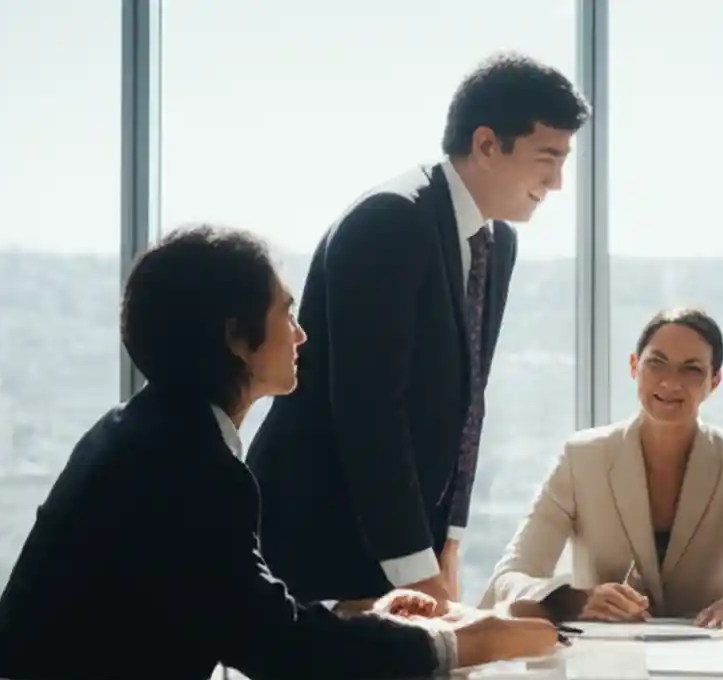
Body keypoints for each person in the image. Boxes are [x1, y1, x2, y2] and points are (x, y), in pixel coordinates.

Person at [0, 226, 557, 680]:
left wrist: (358, 616)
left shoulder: (148, 433)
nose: (301, 335)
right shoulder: (190, 463)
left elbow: (238, 609)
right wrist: (458, 643)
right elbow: (278, 651)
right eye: (286, 313)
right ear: (237, 338)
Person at [246, 53, 591, 606]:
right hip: (317, 539)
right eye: (547, 158)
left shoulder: (498, 241)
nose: (556, 182)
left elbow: (468, 401)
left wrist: (447, 541)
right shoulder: (389, 221)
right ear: (486, 145)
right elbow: (369, 411)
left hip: (400, 543)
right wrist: (412, 567)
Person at [480, 309, 723, 627]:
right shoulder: (583, 458)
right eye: (656, 363)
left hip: (708, 662)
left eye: (692, 369)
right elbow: (507, 580)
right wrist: (573, 598)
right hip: (602, 660)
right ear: (634, 366)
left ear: (715, 381)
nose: (671, 382)